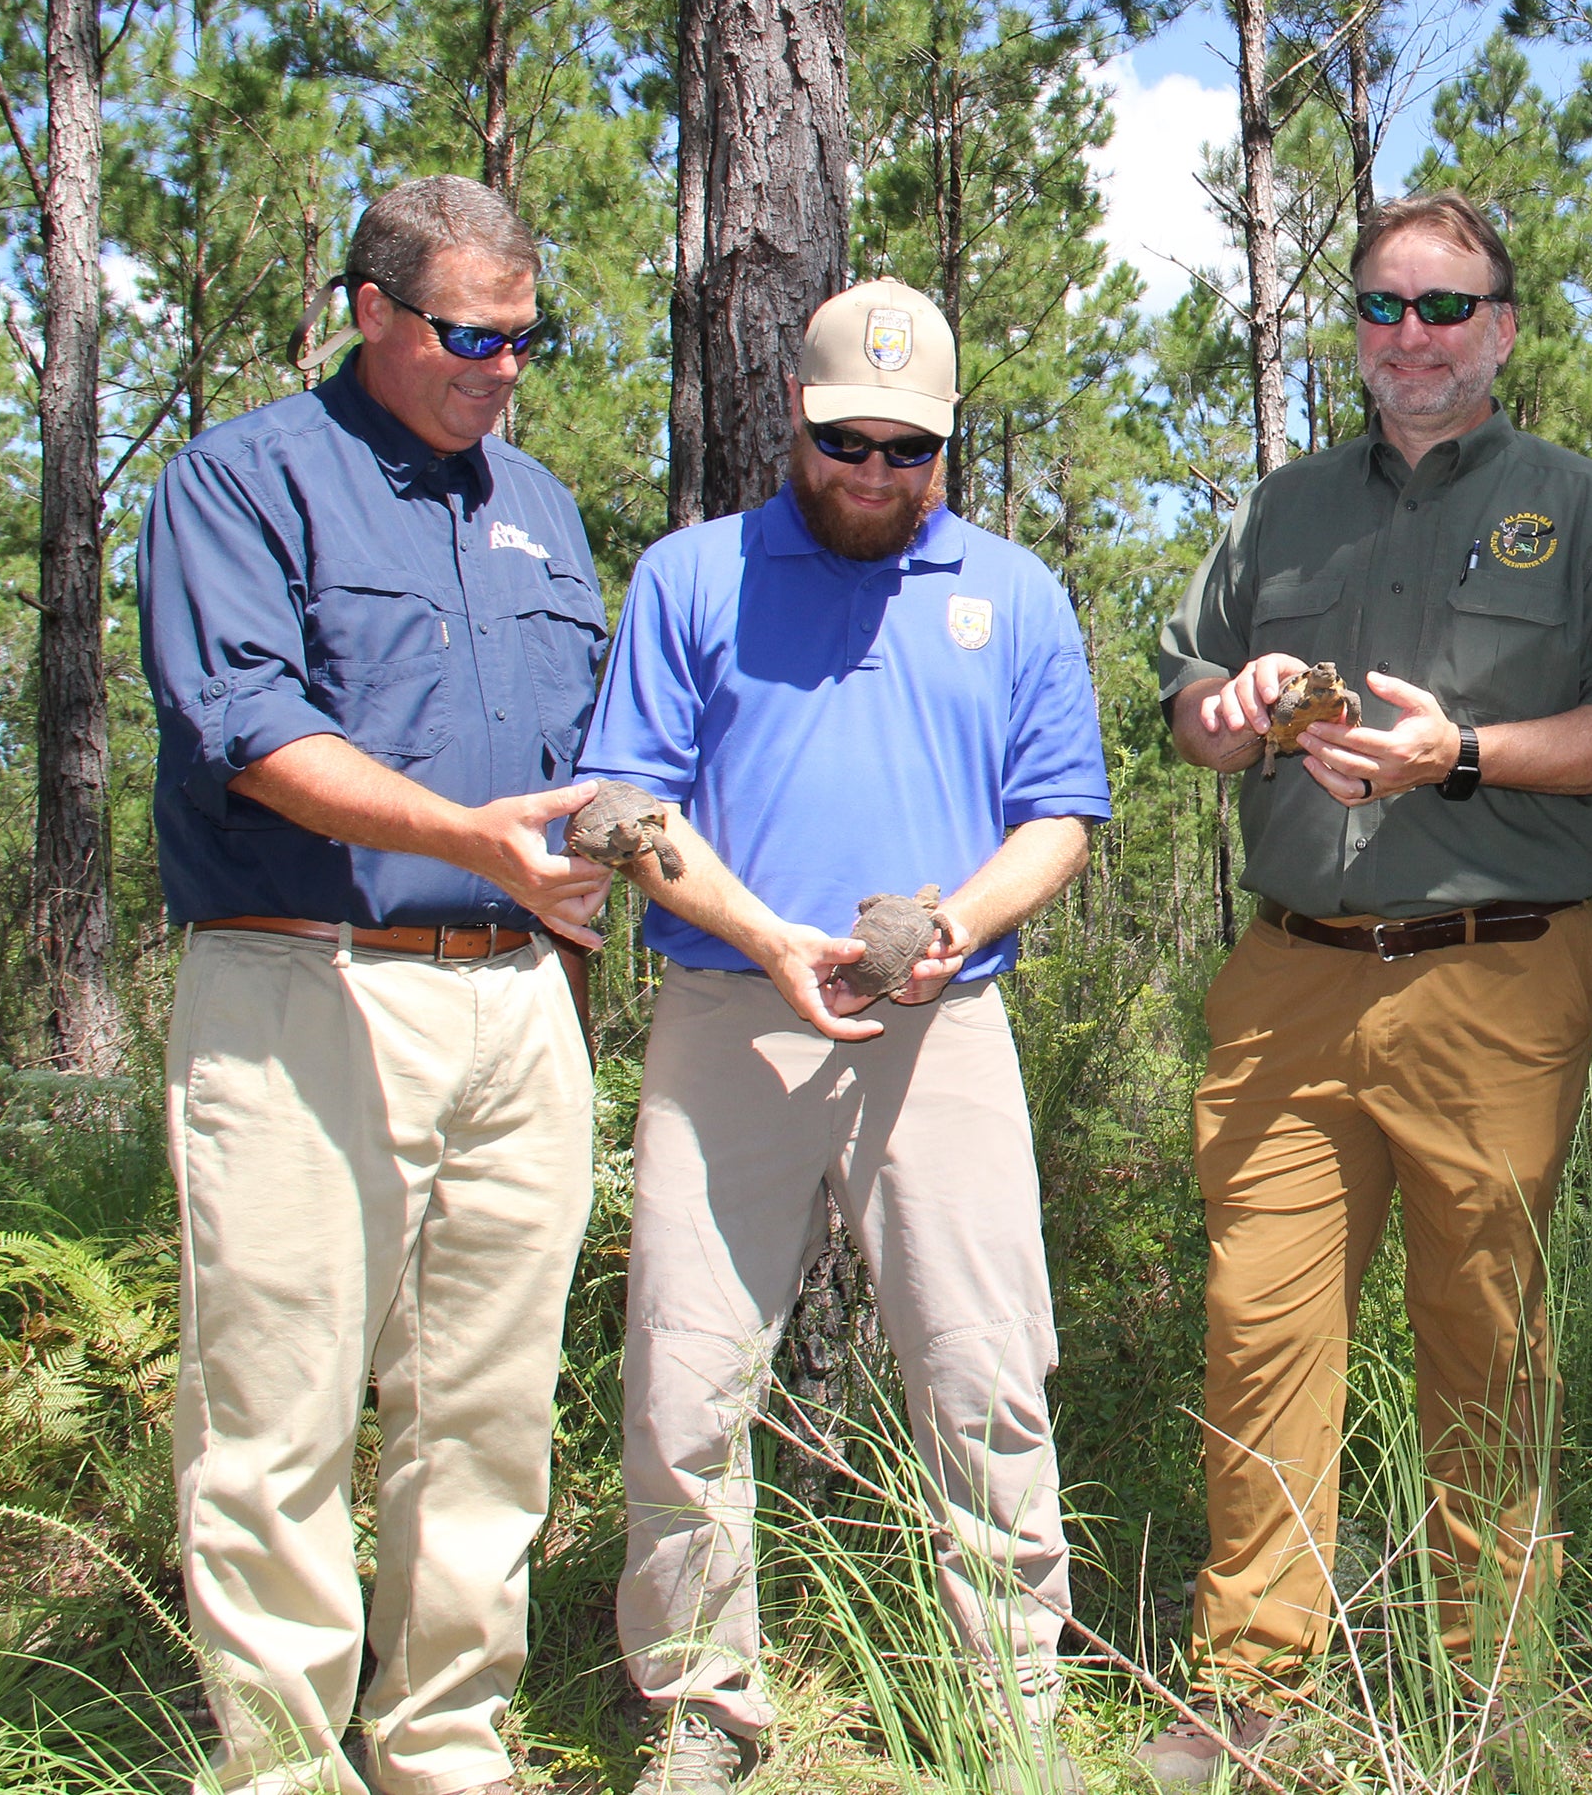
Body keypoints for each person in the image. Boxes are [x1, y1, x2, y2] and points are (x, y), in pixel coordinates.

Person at [1143, 191, 1592, 1783]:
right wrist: (1228, 703)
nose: (1412, 337)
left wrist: (1458, 752)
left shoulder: (1580, 510)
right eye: (1384, 307)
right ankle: (1255, 1679)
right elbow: (1183, 703)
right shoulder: (1283, 509)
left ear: (1503, 329)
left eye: (1445, 308)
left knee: (1488, 1333)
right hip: (1289, 981)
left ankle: (1490, 1682)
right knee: (1260, 1325)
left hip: (1499, 977)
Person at [576, 279, 1110, 1795]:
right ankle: (700, 1707)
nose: (876, 473)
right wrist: (767, 939)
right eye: (848, 442)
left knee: (986, 1376)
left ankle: (1012, 1711)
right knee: (683, 1379)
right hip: (728, 1021)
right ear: (793, 421)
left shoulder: (1011, 594)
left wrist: (952, 929)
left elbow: (1061, 812)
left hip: (945, 1028)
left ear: (949, 445)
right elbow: (633, 805)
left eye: (910, 450)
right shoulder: (691, 577)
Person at [137, 175, 611, 1795]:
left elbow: (576, 764)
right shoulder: (245, 482)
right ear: (371, 309)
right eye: (469, 334)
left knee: (487, 1412)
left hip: (519, 1005)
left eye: (524, 339)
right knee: (277, 1415)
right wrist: (474, 841)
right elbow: (249, 735)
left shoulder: (541, 504)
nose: (500, 368)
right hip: (303, 989)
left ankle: (446, 1745)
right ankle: (282, 1765)